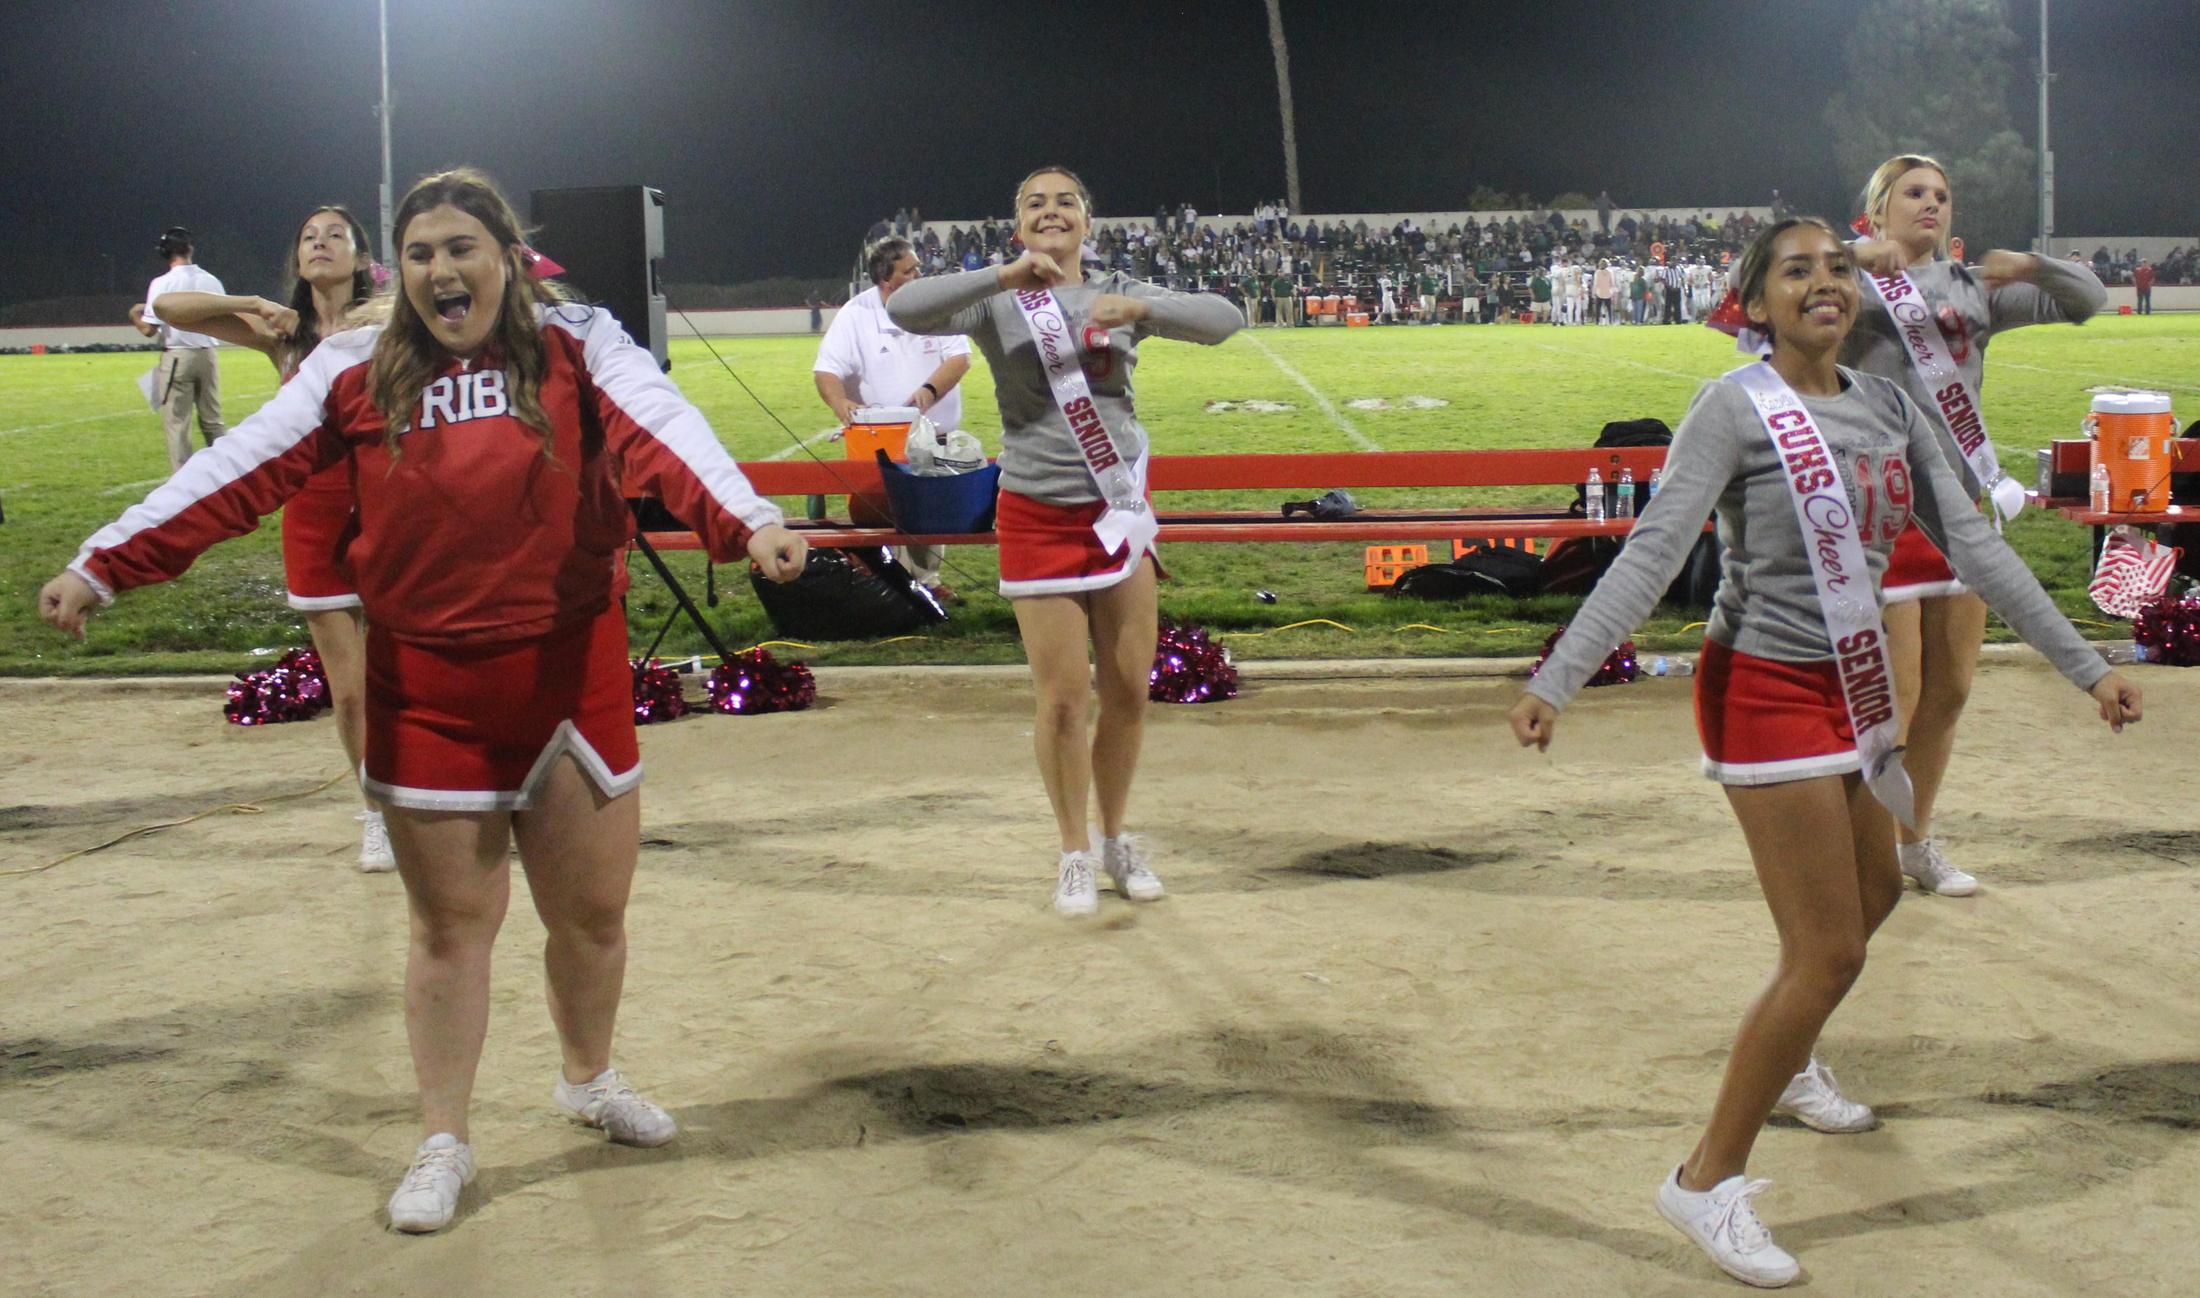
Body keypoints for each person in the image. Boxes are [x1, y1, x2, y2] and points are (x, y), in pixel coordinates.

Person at [41, 168, 808, 1234]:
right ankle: (442, 1135)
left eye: (461, 247)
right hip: (430, 688)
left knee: (591, 917)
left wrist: (744, 518)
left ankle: (586, 1078)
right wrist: (106, 562)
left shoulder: (582, 342)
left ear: (504, 254)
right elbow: (235, 471)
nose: (442, 269)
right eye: (420, 253)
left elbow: (663, 429)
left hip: (567, 681)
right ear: (394, 271)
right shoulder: (354, 366)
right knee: (451, 929)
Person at [1509, 218, 2138, 1288]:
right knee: (1828, 950)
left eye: (1837, 268)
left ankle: (1788, 1060)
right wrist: (1557, 673)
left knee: (1876, 892)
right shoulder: (1731, 405)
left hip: (1850, 692)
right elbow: (1657, 544)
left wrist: (2085, 665)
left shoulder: (1889, 403)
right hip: (1762, 685)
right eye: (1796, 270)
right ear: (1753, 303)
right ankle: (1705, 1179)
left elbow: (1974, 543)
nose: (1824, 283)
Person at [887, 166, 1241, 916]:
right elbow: (907, 307)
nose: (1052, 212)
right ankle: (1074, 849)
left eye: (1066, 202)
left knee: (1129, 691)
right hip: (1037, 513)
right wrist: (1003, 272)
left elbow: (1226, 319)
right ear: (1018, 225)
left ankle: (1117, 838)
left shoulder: (1119, 294)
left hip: (1117, 516)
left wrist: (1141, 306)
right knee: (1062, 703)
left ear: (1088, 221)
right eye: (1034, 204)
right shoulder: (997, 299)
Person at [1846, 153, 2106, 896]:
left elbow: (2087, 299)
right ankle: (1860, 850)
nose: (1931, 205)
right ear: (1881, 205)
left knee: (1952, 689)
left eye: (1942, 196)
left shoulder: (1969, 289)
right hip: (1882, 507)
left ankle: (1914, 844)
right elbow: (1756, 290)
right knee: (1893, 696)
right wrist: (1851, 255)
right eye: (1914, 193)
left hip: (1959, 510)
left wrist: (2030, 261)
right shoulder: (1849, 282)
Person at [148, 204, 394, 869]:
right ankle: (376, 812)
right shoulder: (286, 337)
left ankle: (449, 795)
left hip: (394, 515)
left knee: (420, 672)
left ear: (360, 255)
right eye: (308, 237)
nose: (320, 245)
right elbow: (171, 312)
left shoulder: (390, 323)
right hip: (316, 522)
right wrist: (257, 303)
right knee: (349, 690)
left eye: (334, 236)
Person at [814, 235, 974, 595]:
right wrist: (841, 405)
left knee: (927, 511)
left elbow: (960, 357)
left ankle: (926, 581)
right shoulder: (856, 314)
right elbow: (826, 370)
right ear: (887, 280)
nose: (920, 273)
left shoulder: (935, 305)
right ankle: (893, 583)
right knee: (884, 511)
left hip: (933, 432)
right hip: (879, 438)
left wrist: (929, 392)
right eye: (910, 269)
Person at [130, 227, 229, 469]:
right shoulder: (211, 280)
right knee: (213, 420)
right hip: (208, 354)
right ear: (190, 249)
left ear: (165, 253)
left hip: (177, 356)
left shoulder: (162, 283)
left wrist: (134, 314)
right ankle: (229, 471)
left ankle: (184, 484)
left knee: (177, 424)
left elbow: (149, 330)